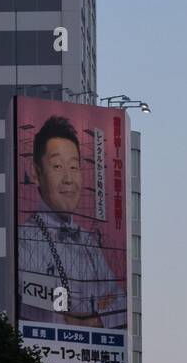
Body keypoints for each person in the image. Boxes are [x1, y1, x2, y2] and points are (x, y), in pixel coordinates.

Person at [18, 114, 126, 329]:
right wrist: (98, 311)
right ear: (36, 172)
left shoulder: (87, 241)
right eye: (57, 166)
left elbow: (121, 302)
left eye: (74, 167)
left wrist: (92, 318)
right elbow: (37, 308)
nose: (68, 179)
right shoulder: (23, 240)